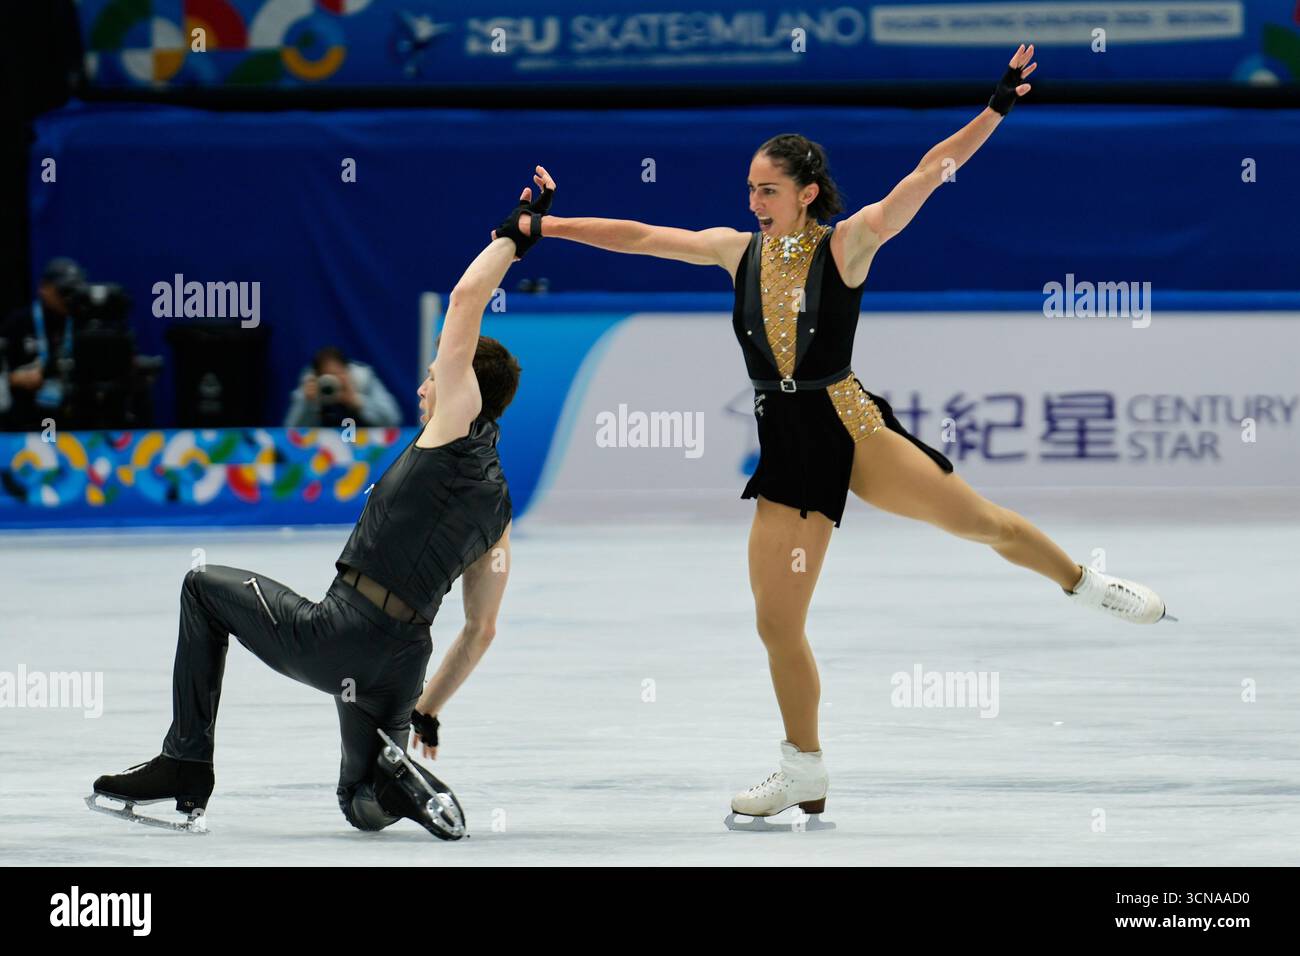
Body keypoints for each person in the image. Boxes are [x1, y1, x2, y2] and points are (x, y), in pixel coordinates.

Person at [517, 47, 1173, 823]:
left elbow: (928, 172)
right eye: (751, 188)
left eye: (769, 189)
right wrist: (543, 226)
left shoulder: (847, 243)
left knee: (980, 522)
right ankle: (803, 769)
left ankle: (1084, 583)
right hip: (787, 446)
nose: (755, 200)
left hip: (849, 425)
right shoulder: (738, 251)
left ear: (808, 193)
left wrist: (994, 107)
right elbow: (640, 236)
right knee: (776, 621)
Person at [88, 171, 549, 837]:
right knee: (359, 806)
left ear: (461, 387)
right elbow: (481, 631)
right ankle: (393, 782)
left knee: (201, 589)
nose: (424, 388)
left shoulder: (451, 423)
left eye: (433, 377)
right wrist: (424, 710)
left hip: (337, 633)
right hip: (401, 665)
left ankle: (185, 763)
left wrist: (515, 235)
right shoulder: (501, 512)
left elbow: (467, 298)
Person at [1, 257, 85, 431]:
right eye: (64, 290)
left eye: (74, 291)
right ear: (44, 289)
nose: (69, 298)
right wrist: (15, 379)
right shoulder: (18, 323)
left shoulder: (83, 324)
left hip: (74, 421)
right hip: (26, 422)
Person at [283, 346, 403, 428]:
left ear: (347, 371)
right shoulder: (310, 387)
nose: (333, 382)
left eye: (337, 375)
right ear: (317, 377)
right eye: (327, 376)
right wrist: (308, 404)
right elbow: (289, 431)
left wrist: (357, 402)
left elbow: (393, 420)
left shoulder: (363, 380)